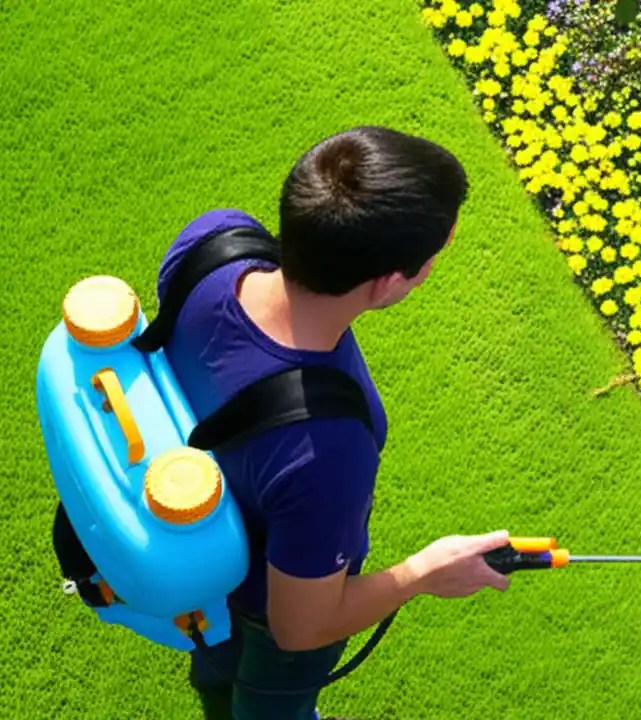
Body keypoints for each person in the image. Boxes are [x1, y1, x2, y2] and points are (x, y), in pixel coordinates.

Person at [158, 126, 513, 720]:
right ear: (391, 282)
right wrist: (423, 572)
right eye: (431, 260)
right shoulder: (326, 451)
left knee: (216, 668)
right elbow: (302, 627)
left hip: (200, 553)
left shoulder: (213, 240)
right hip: (259, 607)